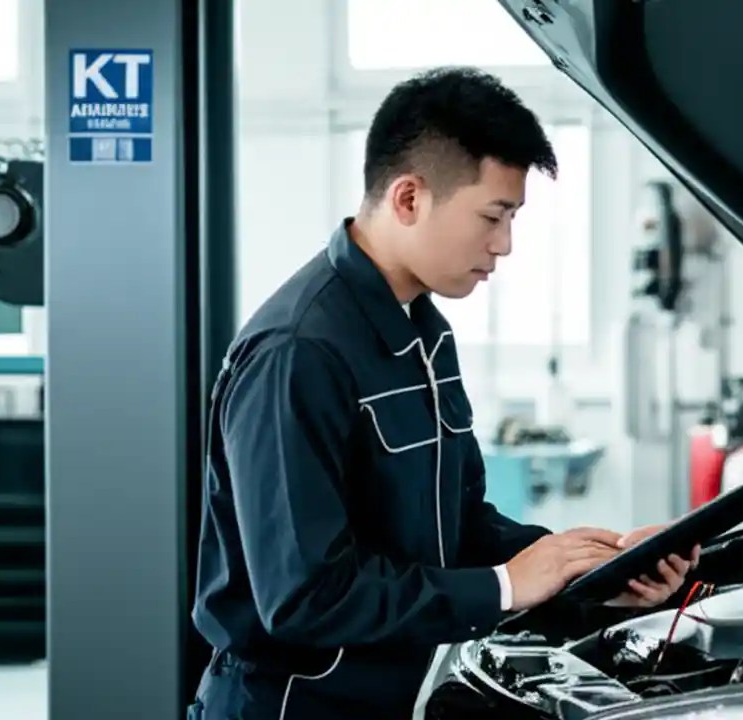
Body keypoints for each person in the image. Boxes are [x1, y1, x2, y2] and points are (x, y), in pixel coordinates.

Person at [187, 67, 696, 719]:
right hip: (291, 705)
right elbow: (305, 596)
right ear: (408, 199)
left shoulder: (425, 337)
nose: (505, 245)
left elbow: (458, 527)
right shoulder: (299, 353)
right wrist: (507, 585)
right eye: (493, 216)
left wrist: (590, 572)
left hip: (394, 697)